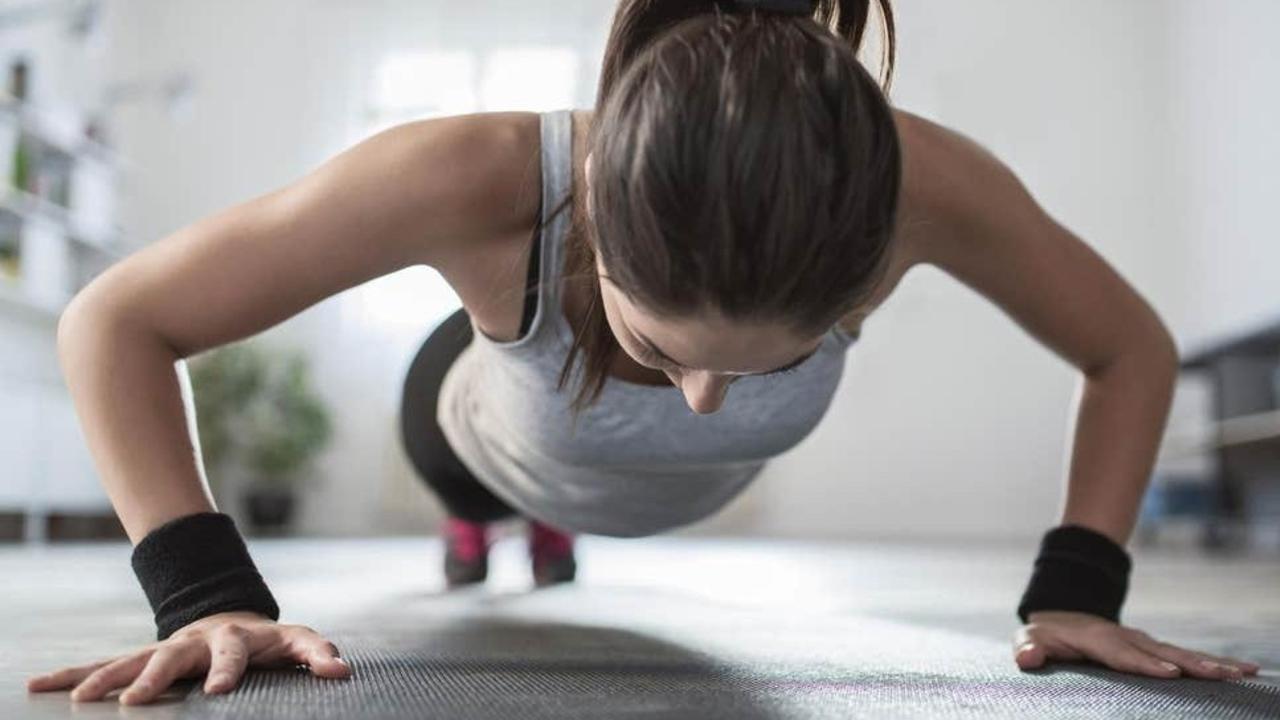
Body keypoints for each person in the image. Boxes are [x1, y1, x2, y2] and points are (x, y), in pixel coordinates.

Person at [29, 0, 1260, 707]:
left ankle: (552, 523)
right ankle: (492, 524)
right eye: (661, 351)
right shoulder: (476, 175)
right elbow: (114, 320)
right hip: (478, 427)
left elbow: (1126, 347)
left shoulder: (914, 188)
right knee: (474, 474)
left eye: (763, 366)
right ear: (599, 228)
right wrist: (205, 594)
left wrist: (1076, 589)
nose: (705, 402)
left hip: (642, 489)